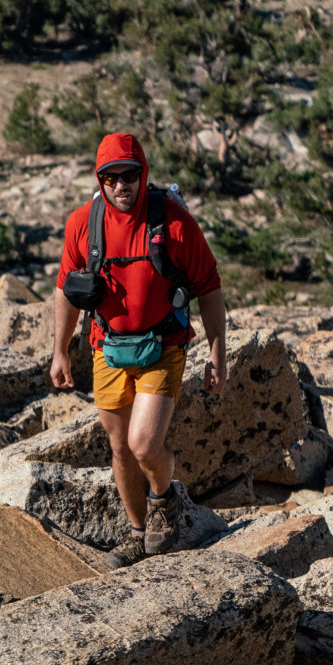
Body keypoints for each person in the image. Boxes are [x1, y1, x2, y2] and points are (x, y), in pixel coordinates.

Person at [49, 130, 227, 564]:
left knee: (145, 444)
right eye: (110, 178)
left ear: (142, 173)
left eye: (128, 175)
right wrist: (59, 350)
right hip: (107, 346)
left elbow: (209, 288)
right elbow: (66, 289)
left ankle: (165, 500)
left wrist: (218, 354)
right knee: (121, 448)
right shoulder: (82, 225)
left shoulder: (174, 223)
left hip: (163, 343)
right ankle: (136, 532)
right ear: (100, 180)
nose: (120, 186)